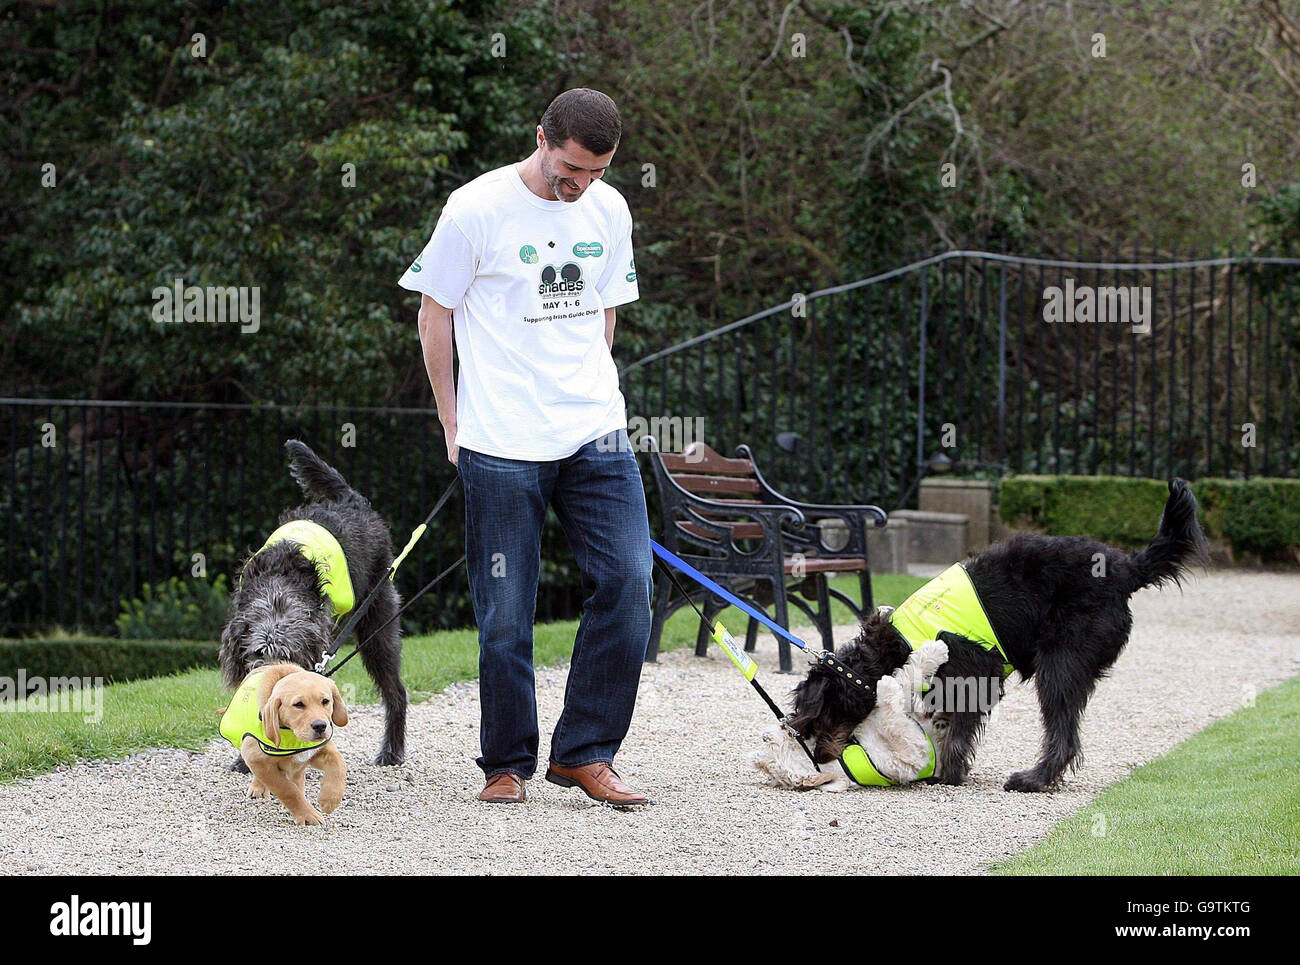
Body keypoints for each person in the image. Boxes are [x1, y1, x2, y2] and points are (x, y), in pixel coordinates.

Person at [399, 88, 653, 806]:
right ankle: (506, 762)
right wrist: (453, 423)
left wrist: (588, 386)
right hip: (501, 442)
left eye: (597, 173)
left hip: (596, 432)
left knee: (630, 583)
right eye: (571, 170)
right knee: (507, 610)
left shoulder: (609, 210)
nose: (580, 186)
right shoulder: (475, 207)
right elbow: (434, 314)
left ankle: (586, 751)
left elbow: (605, 311)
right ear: (541, 137)